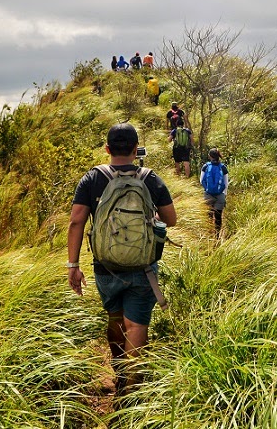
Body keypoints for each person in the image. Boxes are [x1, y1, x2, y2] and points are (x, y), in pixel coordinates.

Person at [67, 123, 177, 393]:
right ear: (135, 148)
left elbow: (76, 222)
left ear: (107, 149)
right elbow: (171, 219)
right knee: (136, 323)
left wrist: (73, 266)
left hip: (105, 267)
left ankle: (118, 370)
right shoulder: (150, 179)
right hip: (143, 267)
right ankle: (134, 385)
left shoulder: (92, 179)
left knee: (116, 318)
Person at [201, 148, 228, 237]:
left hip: (208, 194)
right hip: (220, 195)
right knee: (218, 217)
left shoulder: (205, 166)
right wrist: (224, 195)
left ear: (209, 156)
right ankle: (217, 236)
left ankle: (208, 236)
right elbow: (226, 183)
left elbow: (201, 181)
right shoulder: (223, 167)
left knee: (208, 216)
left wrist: (206, 190)